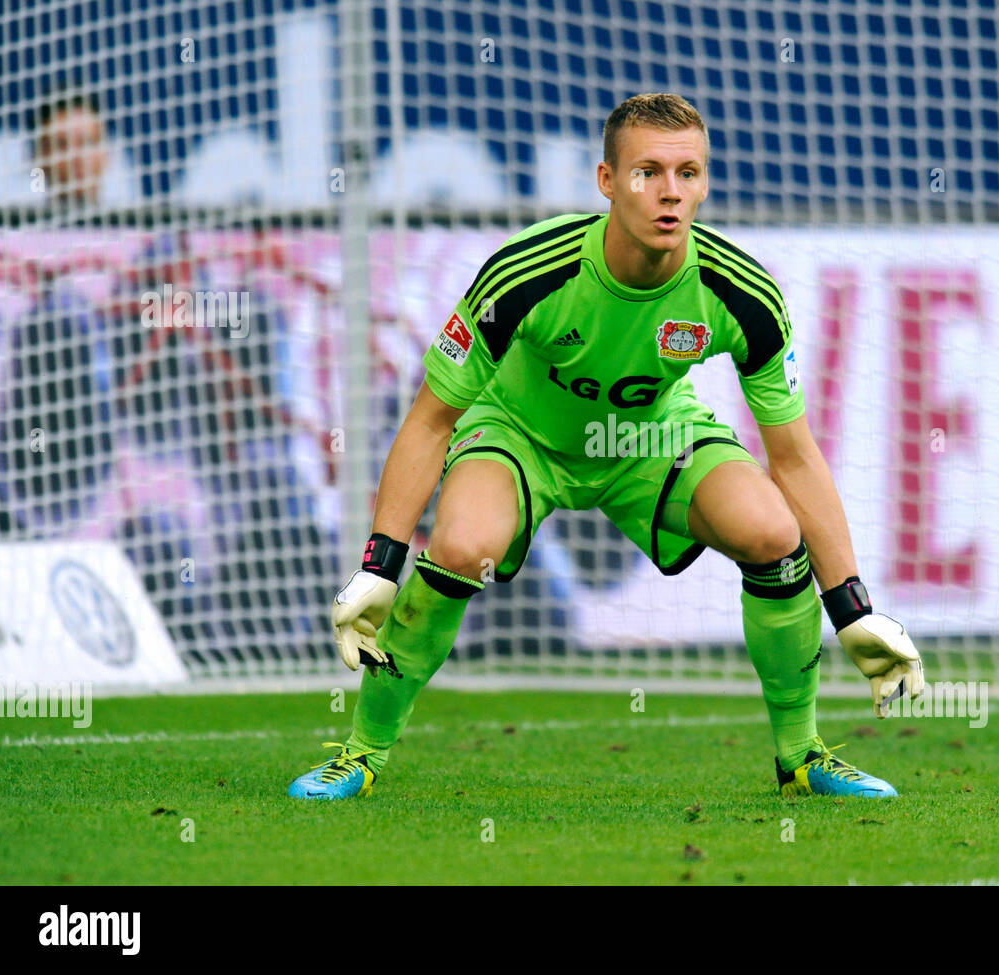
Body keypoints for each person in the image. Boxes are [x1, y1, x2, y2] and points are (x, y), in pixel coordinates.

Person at [288, 93, 924, 801]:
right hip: (521, 437)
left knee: (773, 531)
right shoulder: (529, 271)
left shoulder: (741, 293)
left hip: (652, 438)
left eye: (689, 173)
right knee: (462, 546)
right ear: (606, 180)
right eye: (648, 171)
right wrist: (380, 564)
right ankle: (361, 753)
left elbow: (797, 457)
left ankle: (802, 757)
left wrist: (853, 608)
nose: (670, 193)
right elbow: (431, 419)